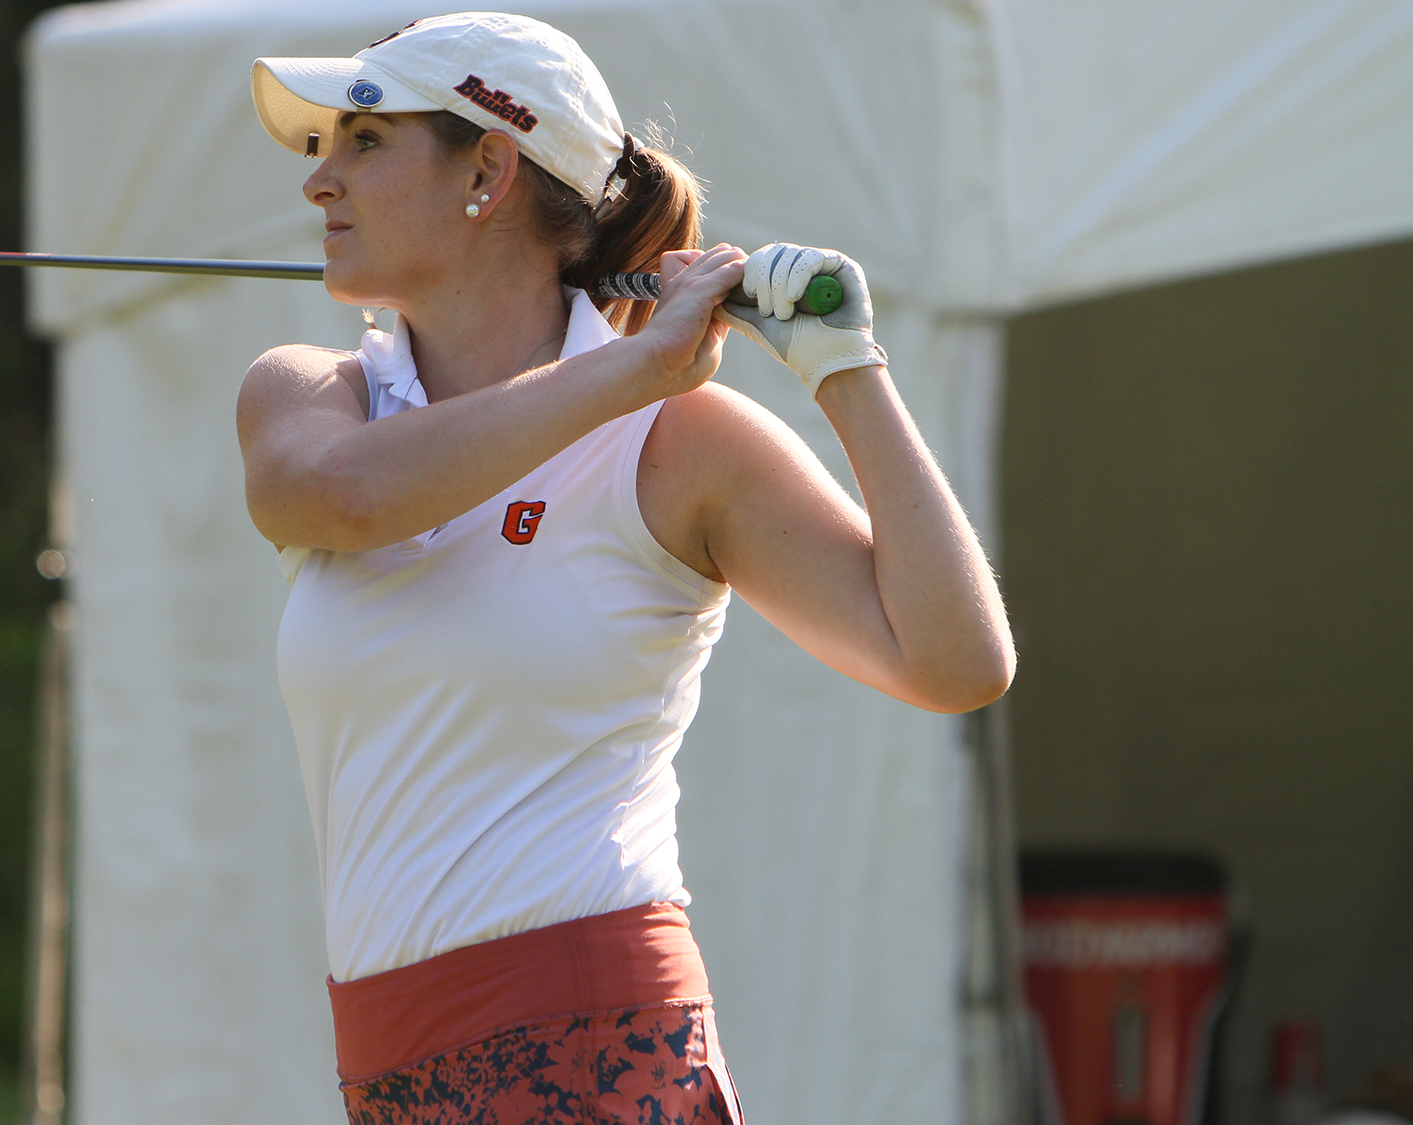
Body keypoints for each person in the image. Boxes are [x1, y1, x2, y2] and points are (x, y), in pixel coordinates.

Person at [239, 12, 1015, 1123]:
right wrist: (634, 368)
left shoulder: (676, 444)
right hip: (387, 1070)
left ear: (487, 171)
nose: (320, 184)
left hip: (592, 1047)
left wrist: (845, 368)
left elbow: (954, 662)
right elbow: (341, 497)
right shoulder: (313, 395)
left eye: (363, 142)